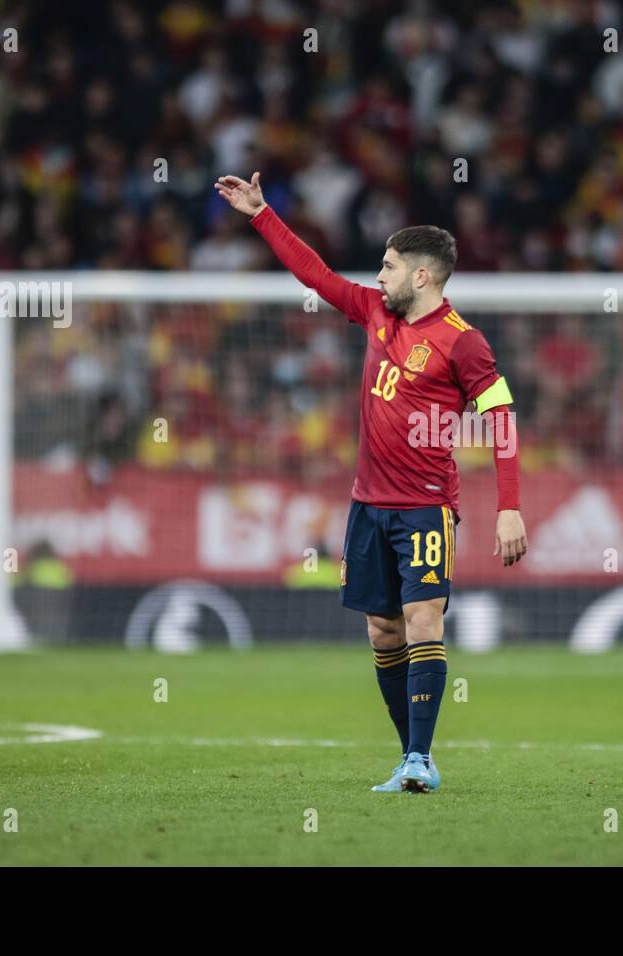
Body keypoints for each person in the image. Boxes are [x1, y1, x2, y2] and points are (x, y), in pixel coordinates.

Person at [215, 172, 528, 793]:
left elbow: (502, 418)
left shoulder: (463, 344)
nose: (377, 276)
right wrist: (261, 215)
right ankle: (411, 753)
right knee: (382, 632)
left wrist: (510, 508)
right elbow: (316, 275)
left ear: (422, 276)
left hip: (426, 509)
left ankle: (419, 760)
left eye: (387, 266)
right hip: (366, 506)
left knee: (422, 620)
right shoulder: (373, 313)